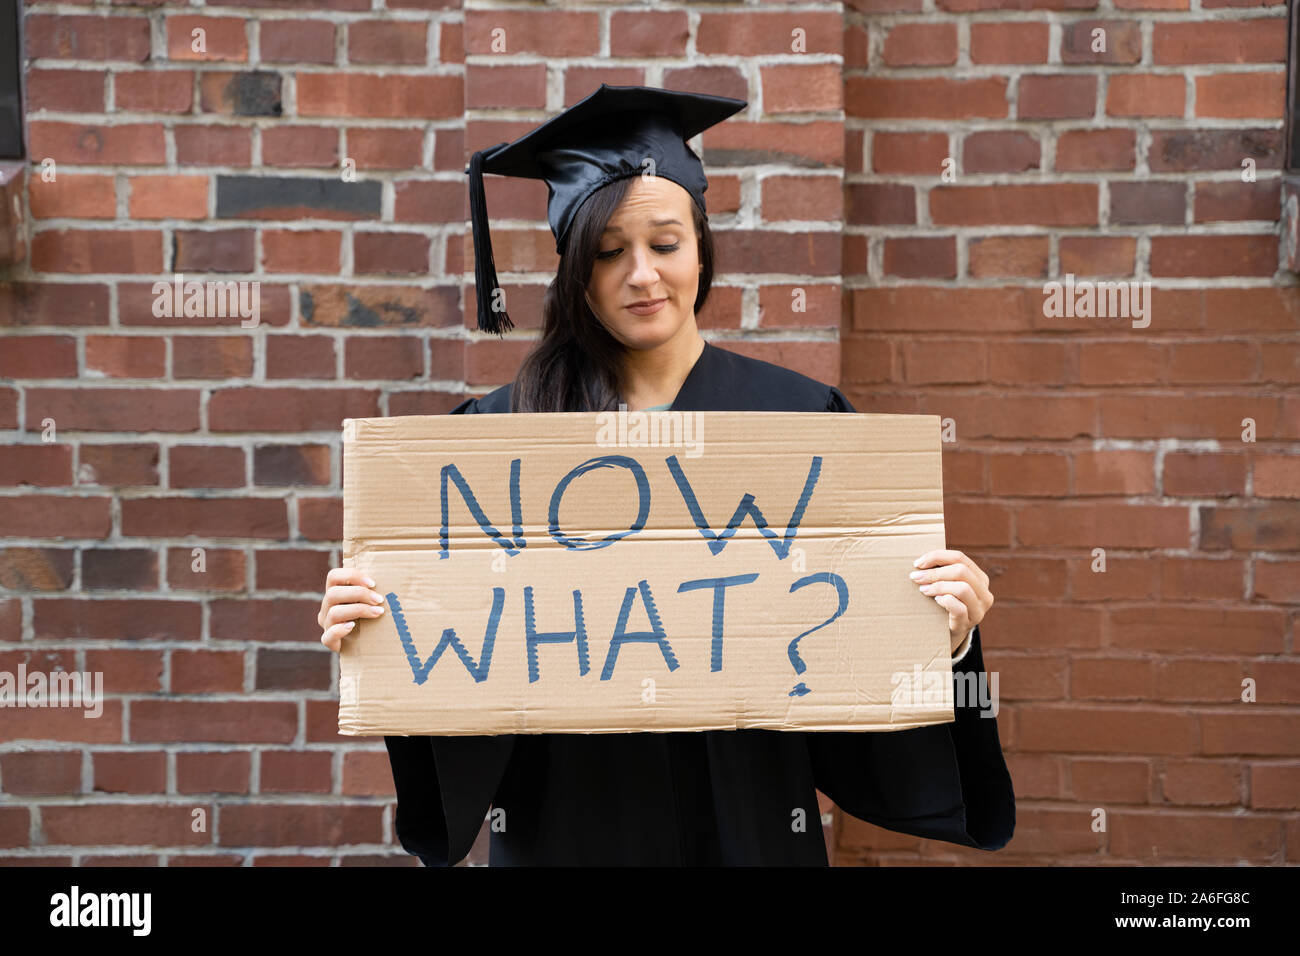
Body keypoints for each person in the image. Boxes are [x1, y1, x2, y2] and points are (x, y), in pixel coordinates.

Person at [317, 85, 1014, 865]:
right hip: (565, 829)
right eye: (610, 251)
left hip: (752, 828)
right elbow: (462, 677)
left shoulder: (797, 421)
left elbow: (851, 672)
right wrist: (383, 626)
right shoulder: (501, 440)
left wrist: (944, 639)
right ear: (576, 271)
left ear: (702, 249)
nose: (643, 275)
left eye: (666, 243)